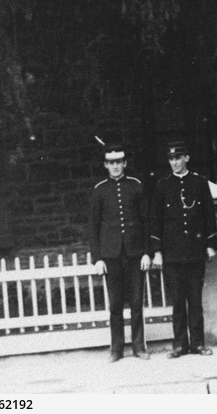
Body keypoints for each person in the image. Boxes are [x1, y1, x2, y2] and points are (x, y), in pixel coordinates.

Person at [149, 141, 217, 358]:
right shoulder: (162, 186)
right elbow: (155, 221)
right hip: (172, 255)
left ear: (187, 158)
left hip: (195, 252)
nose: (175, 163)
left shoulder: (199, 183)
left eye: (178, 158)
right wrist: (157, 251)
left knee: (195, 300)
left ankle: (197, 344)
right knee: (178, 300)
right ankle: (179, 345)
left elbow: (208, 216)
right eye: (171, 159)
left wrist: (210, 244)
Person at [89, 143, 151, 362]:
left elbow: (146, 221)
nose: (115, 166)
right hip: (111, 256)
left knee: (136, 302)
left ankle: (138, 347)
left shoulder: (136, 186)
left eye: (119, 162)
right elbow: (94, 227)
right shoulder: (99, 190)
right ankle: (116, 349)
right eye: (111, 162)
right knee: (115, 304)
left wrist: (146, 252)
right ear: (106, 165)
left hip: (134, 254)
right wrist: (97, 258)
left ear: (125, 163)